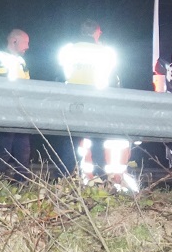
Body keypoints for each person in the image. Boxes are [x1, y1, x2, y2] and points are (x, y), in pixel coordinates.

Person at [58, 20, 136, 191]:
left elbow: (64, 73)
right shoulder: (104, 52)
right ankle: (100, 182)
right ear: (96, 32)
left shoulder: (69, 50)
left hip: (72, 101)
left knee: (69, 141)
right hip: (96, 102)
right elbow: (109, 78)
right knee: (98, 143)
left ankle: (63, 181)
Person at [0, 29, 32, 180]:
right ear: (14, 41)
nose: (28, 46)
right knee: (4, 147)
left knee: (23, 149)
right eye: (26, 42)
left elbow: (28, 86)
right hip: (5, 110)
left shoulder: (21, 61)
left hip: (20, 111)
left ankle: (22, 183)